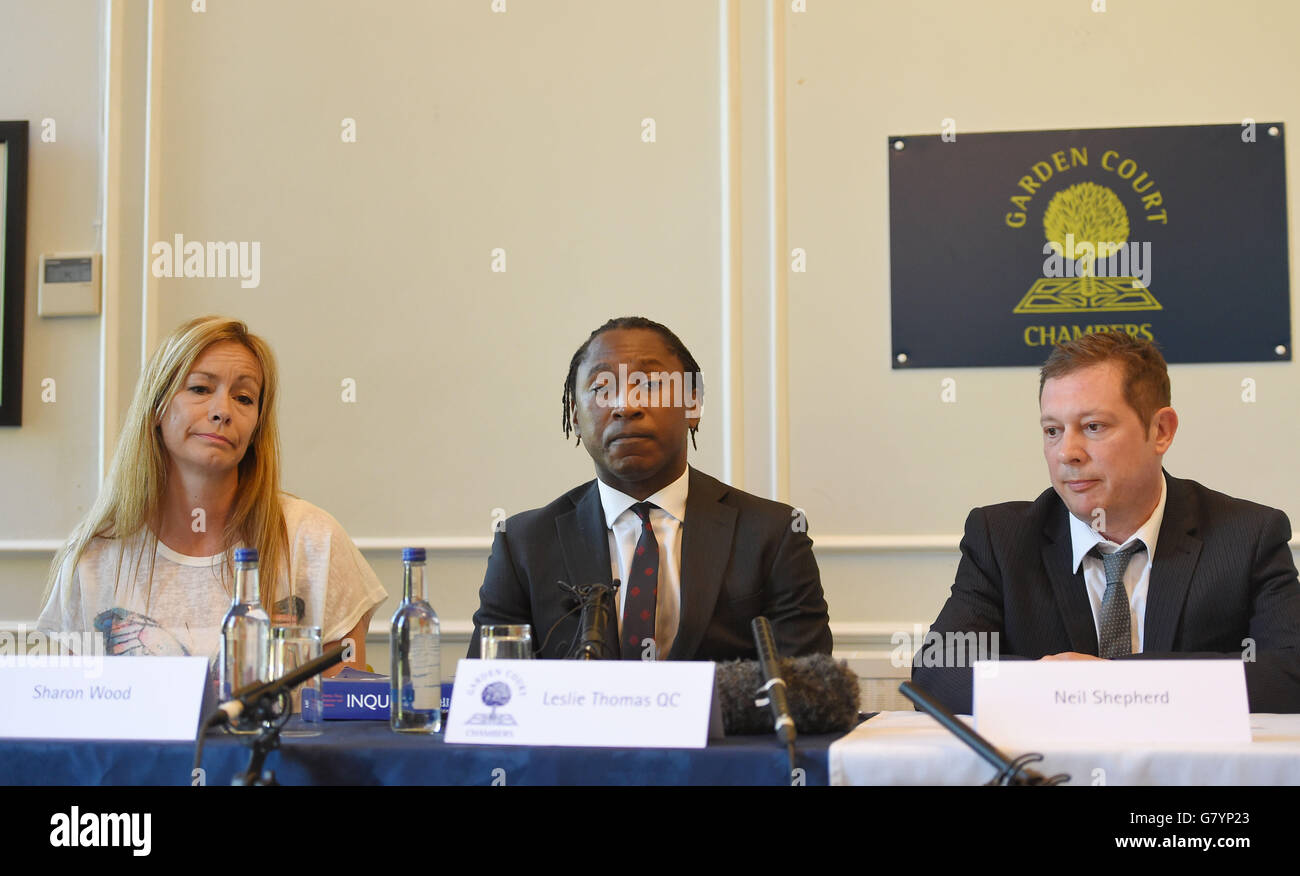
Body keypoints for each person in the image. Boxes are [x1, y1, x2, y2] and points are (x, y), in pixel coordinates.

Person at [913, 331, 1300, 713]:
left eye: (1093, 426)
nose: (1067, 452)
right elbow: (939, 671)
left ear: (1161, 431)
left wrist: (1114, 682)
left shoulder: (1247, 536)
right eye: (1053, 431)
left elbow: (1290, 673)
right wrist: (1044, 684)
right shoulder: (1001, 538)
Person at [469, 316, 832, 661]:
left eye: (650, 384)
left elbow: (806, 687)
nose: (626, 404)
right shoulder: (523, 544)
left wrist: (681, 703)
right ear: (575, 418)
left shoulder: (774, 532)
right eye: (601, 388)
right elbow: (490, 697)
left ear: (693, 404)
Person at [37, 316, 386, 673]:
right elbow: (72, 713)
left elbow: (345, 713)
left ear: (256, 427)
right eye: (201, 389)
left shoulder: (313, 540)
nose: (222, 411)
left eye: (244, 398)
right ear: (157, 407)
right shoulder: (94, 552)